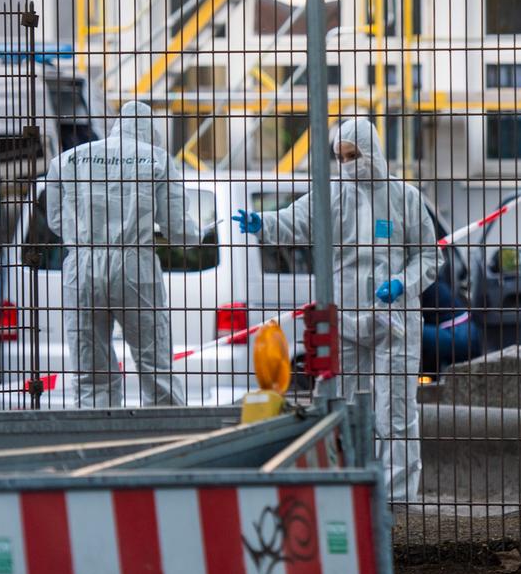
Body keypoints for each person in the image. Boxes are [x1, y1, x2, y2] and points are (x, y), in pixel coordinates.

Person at [232, 117, 442, 501]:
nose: (348, 164)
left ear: (372, 151)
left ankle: (396, 499)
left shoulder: (406, 198)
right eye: (341, 157)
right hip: (344, 317)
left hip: (394, 319)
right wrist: (262, 224)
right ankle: (348, 488)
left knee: (395, 412)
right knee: (342, 405)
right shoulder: (331, 195)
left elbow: (429, 256)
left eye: (353, 155)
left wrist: (403, 283)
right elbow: (295, 221)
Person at [45, 101, 201, 407]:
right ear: (150, 132)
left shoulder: (68, 160)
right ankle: (166, 429)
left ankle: (98, 430)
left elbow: (55, 220)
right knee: (155, 365)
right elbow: (178, 229)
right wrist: (197, 235)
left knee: (90, 369)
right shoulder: (156, 160)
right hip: (134, 265)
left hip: (82, 265)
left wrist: (84, 238)